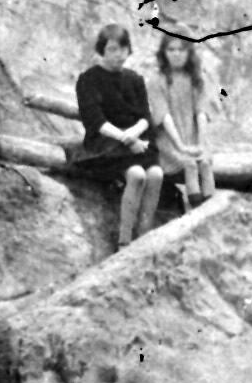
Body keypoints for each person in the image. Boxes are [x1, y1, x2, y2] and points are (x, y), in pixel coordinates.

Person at [73, 24, 164, 249]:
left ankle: (144, 235)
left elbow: (145, 116)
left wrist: (134, 134)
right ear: (101, 50)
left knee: (156, 174)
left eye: (123, 49)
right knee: (137, 175)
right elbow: (95, 121)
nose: (119, 55)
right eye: (112, 49)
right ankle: (125, 240)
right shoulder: (88, 79)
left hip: (135, 139)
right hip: (106, 143)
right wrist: (126, 138)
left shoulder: (135, 79)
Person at [148, 37, 216, 210]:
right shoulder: (156, 80)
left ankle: (210, 208)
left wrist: (201, 143)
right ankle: (195, 208)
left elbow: (201, 112)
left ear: (189, 52)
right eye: (171, 50)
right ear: (164, 53)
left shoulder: (197, 78)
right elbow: (164, 116)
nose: (176, 54)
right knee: (189, 164)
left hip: (193, 136)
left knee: (205, 163)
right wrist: (181, 146)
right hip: (169, 141)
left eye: (181, 50)